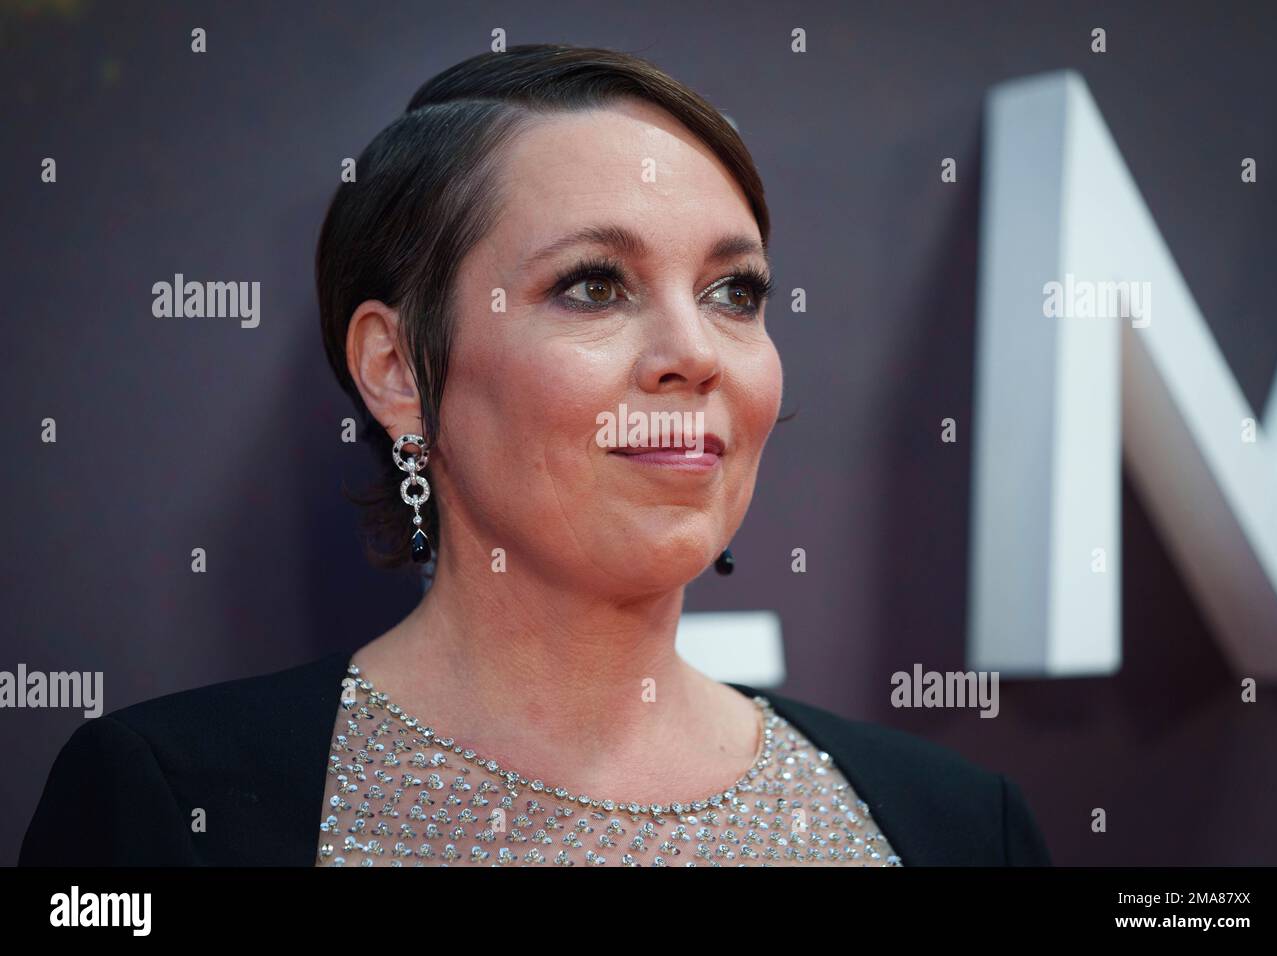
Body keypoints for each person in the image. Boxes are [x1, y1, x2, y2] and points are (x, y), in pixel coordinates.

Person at [20, 43, 1050, 867]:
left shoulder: (957, 828)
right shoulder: (169, 804)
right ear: (397, 370)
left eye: (732, 291)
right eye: (594, 285)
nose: (694, 354)